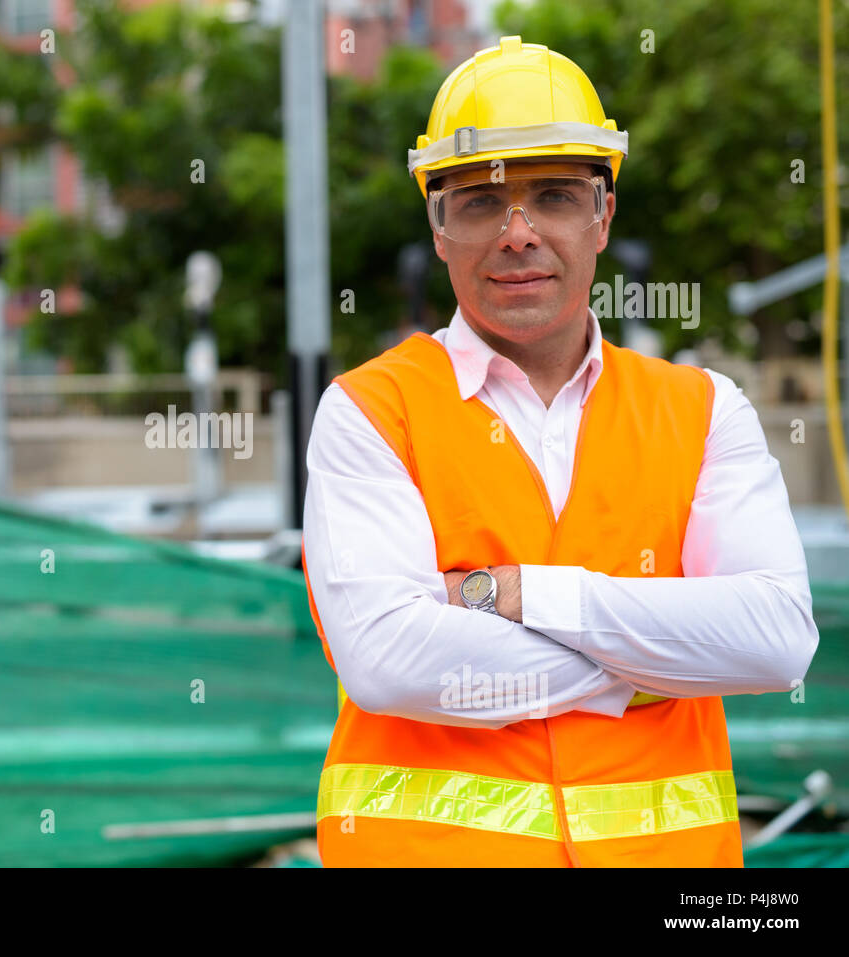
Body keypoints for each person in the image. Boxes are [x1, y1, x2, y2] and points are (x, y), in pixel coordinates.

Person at [302, 36, 819, 867]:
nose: (519, 234)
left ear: (603, 215)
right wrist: (661, 660)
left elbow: (775, 639)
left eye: (553, 196)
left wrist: (521, 595)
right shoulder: (371, 410)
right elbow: (390, 662)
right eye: (478, 203)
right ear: (438, 227)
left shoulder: (706, 409)